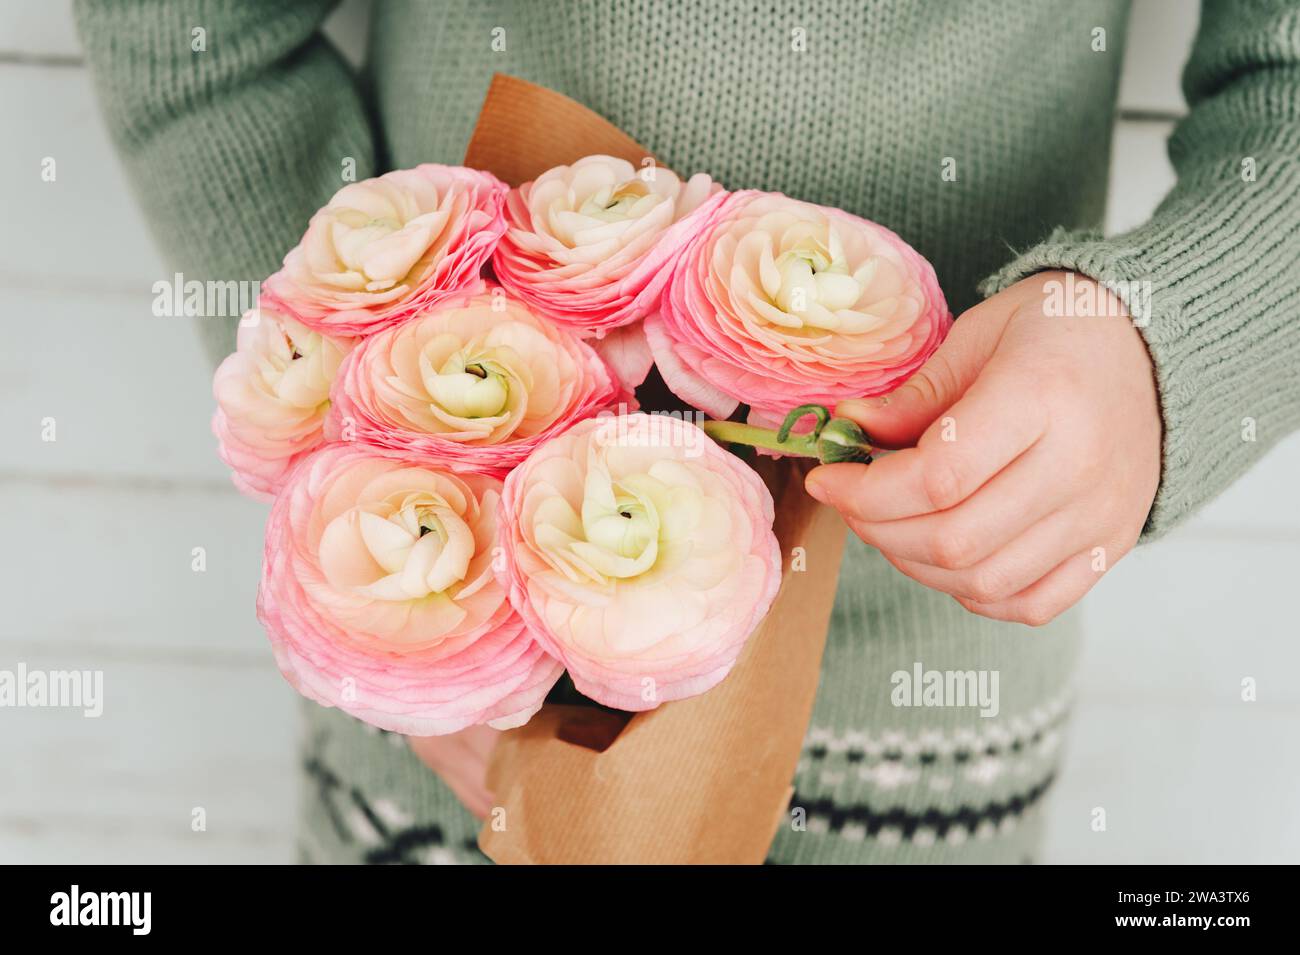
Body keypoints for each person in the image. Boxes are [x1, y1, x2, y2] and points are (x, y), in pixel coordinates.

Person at [76, 0, 1300, 864]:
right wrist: (355, 428)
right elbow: (189, 34)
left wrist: (1162, 344)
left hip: (933, 746)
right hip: (465, 716)